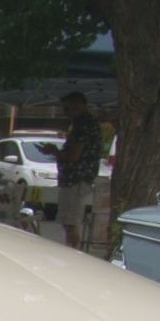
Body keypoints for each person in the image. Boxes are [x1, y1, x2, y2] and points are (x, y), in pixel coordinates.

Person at [53, 91, 104, 249]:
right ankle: (72, 248)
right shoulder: (89, 123)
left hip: (75, 179)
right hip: (78, 178)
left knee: (70, 221)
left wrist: (54, 152)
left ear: (78, 106)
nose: (65, 113)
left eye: (67, 109)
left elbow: (73, 155)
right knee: (70, 220)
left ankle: (72, 251)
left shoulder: (82, 124)